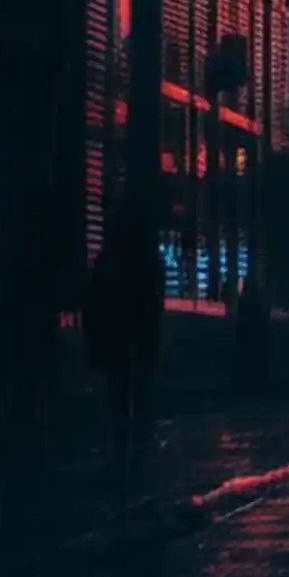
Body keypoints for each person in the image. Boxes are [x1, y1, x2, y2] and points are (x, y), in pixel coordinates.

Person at [84, 206, 164, 500]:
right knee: (137, 400)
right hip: (136, 340)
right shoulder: (145, 261)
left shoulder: (109, 260)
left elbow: (96, 302)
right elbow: (153, 303)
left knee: (120, 400)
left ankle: (122, 456)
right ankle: (136, 458)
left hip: (118, 340)